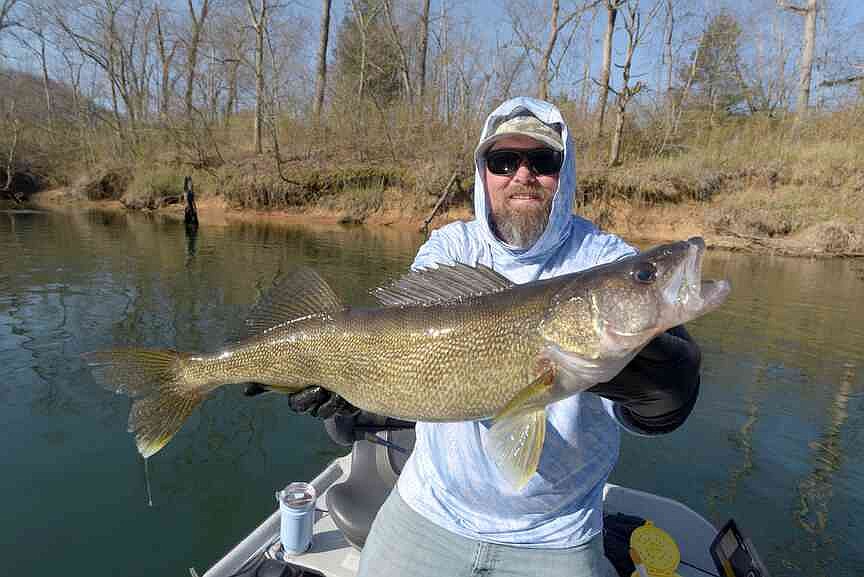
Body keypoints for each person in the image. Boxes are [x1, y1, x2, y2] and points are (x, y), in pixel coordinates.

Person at [278, 97, 701, 576]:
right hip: (430, 508)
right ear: (483, 173)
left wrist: (661, 401)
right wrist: (353, 390)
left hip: (555, 532)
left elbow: (646, 406)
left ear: (565, 173)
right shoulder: (450, 248)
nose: (523, 175)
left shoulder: (603, 258)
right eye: (504, 161)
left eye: (542, 161)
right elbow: (412, 359)